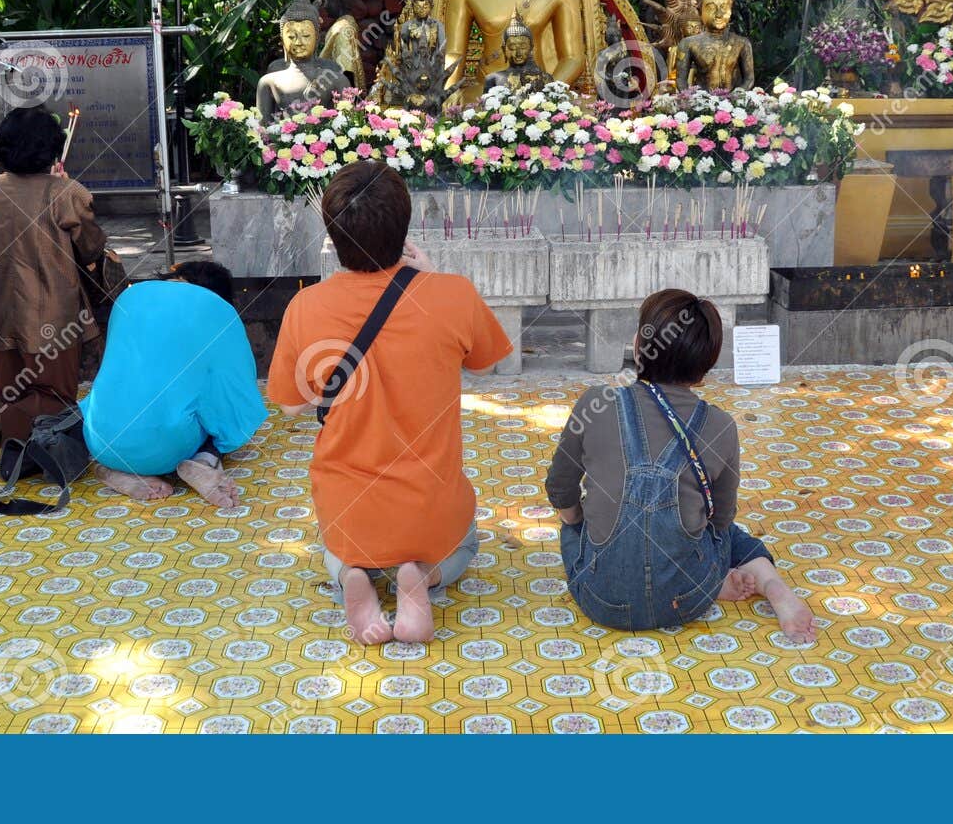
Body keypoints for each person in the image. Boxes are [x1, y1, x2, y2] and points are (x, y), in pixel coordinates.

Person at [267, 161, 513, 644]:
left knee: (334, 547)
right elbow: (485, 365)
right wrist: (433, 282)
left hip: (349, 507)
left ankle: (352, 577)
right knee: (465, 545)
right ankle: (422, 576)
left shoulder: (305, 307)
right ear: (404, 227)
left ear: (333, 233)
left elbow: (291, 408)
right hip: (429, 506)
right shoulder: (451, 295)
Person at [547, 289, 816, 639]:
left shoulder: (596, 402)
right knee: (731, 536)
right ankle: (773, 588)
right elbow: (719, 523)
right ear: (707, 362)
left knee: (574, 523)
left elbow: (559, 488)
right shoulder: (721, 426)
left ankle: (707, 580)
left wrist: (581, 522)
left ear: (639, 344)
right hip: (686, 599)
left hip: (601, 599)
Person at [0, 105, 107, 452]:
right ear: (50, 149)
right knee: (55, 399)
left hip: (0, 311)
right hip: (54, 317)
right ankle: (0, 420)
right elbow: (92, 248)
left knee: (14, 389)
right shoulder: (66, 193)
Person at [80, 261, 267, 506]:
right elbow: (236, 393)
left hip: (98, 437)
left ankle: (113, 468)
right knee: (238, 416)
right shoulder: (219, 312)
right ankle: (202, 462)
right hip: (166, 447)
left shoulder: (130, 295)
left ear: (175, 273)